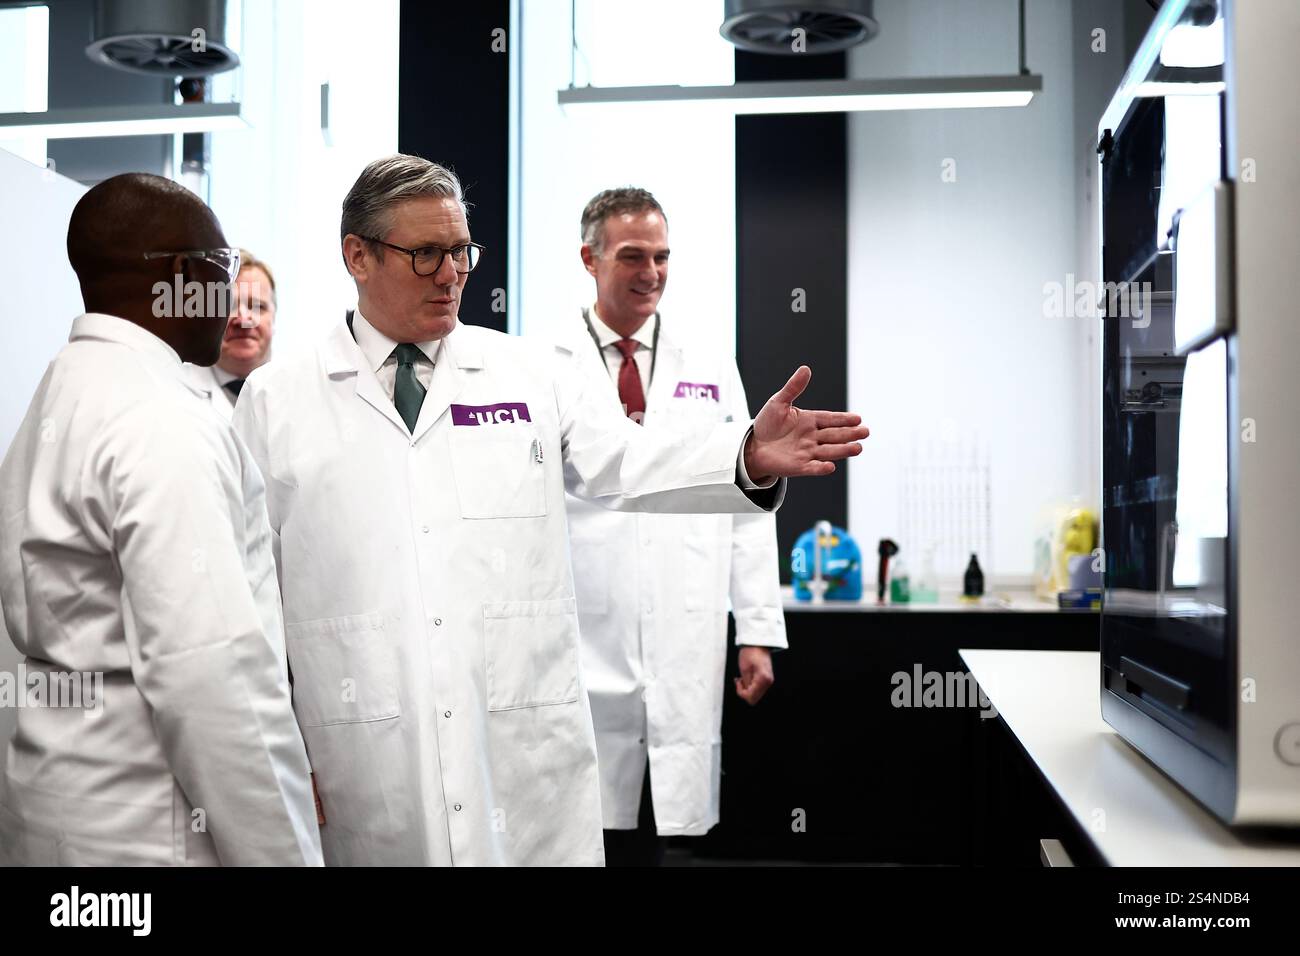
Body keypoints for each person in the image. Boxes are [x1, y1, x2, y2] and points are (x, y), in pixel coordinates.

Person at [232, 154, 868, 866]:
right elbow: (252, 597)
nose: (452, 275)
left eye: (462, 253)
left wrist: (744, 455)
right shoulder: (277, 401)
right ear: (358, 255)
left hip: (517, 745)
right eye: (426, 255)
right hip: (360, 745)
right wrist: (279, 749)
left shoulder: (527, 373)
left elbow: (628, 462)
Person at [0, 173, 322, 866]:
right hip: (151, 834)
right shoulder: (161, 417)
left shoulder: (62, 390)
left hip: (56, 809)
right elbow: (211, 680)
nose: (234, 297)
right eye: (225, 267)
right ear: (184, 274)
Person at [558, 187, 786, 866]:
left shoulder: (710, 365)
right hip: (585, 621)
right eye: (632, 255)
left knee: (677, 834)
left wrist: (757, 630)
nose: (650, 272)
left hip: (687, 618)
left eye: (661, 256)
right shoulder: (548, 364)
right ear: (589, 258)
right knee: (591, 823)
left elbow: (745, 503)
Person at [185, 248, 278, 420]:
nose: (244, 320)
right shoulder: (177, 388)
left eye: (257, 306)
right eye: (229, 306)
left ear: (274, 316)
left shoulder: (301, 387)